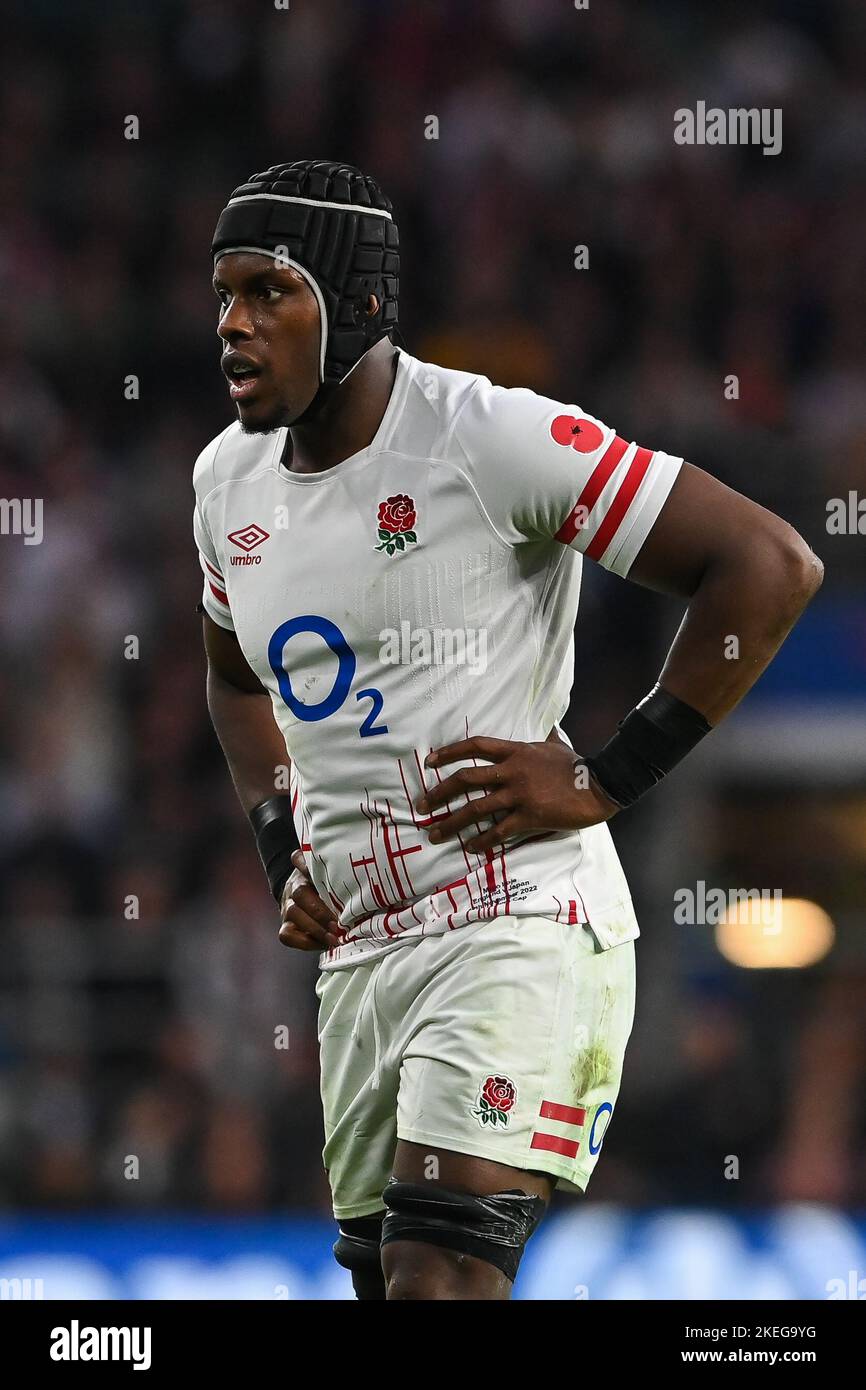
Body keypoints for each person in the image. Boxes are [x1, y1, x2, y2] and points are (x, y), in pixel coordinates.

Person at [194, 159, 823, 1300]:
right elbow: (237, 684)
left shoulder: (487, 437)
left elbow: (766, 563)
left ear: (355, 300)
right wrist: (284, 846)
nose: (232, 325)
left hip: (513, 911)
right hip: (360, 953)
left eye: (267, 290)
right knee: (397, 1287)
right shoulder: (223, 484)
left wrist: (605, 773)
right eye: (221, 296)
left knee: (439, 1274)